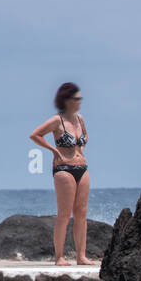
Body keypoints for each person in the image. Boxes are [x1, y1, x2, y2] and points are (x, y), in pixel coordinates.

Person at [28, 82, 96, 266]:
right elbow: (35, 134)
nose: (79, 102)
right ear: (66, 100)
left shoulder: (80, 119)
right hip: (63, 169)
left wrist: (80, 147)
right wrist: (53, 149)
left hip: (82, 167)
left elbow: (86, 136)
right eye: (76, 99)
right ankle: (59, 257)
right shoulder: (57, 121)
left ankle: (81, 256)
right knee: (64, 213)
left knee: (81, 213)